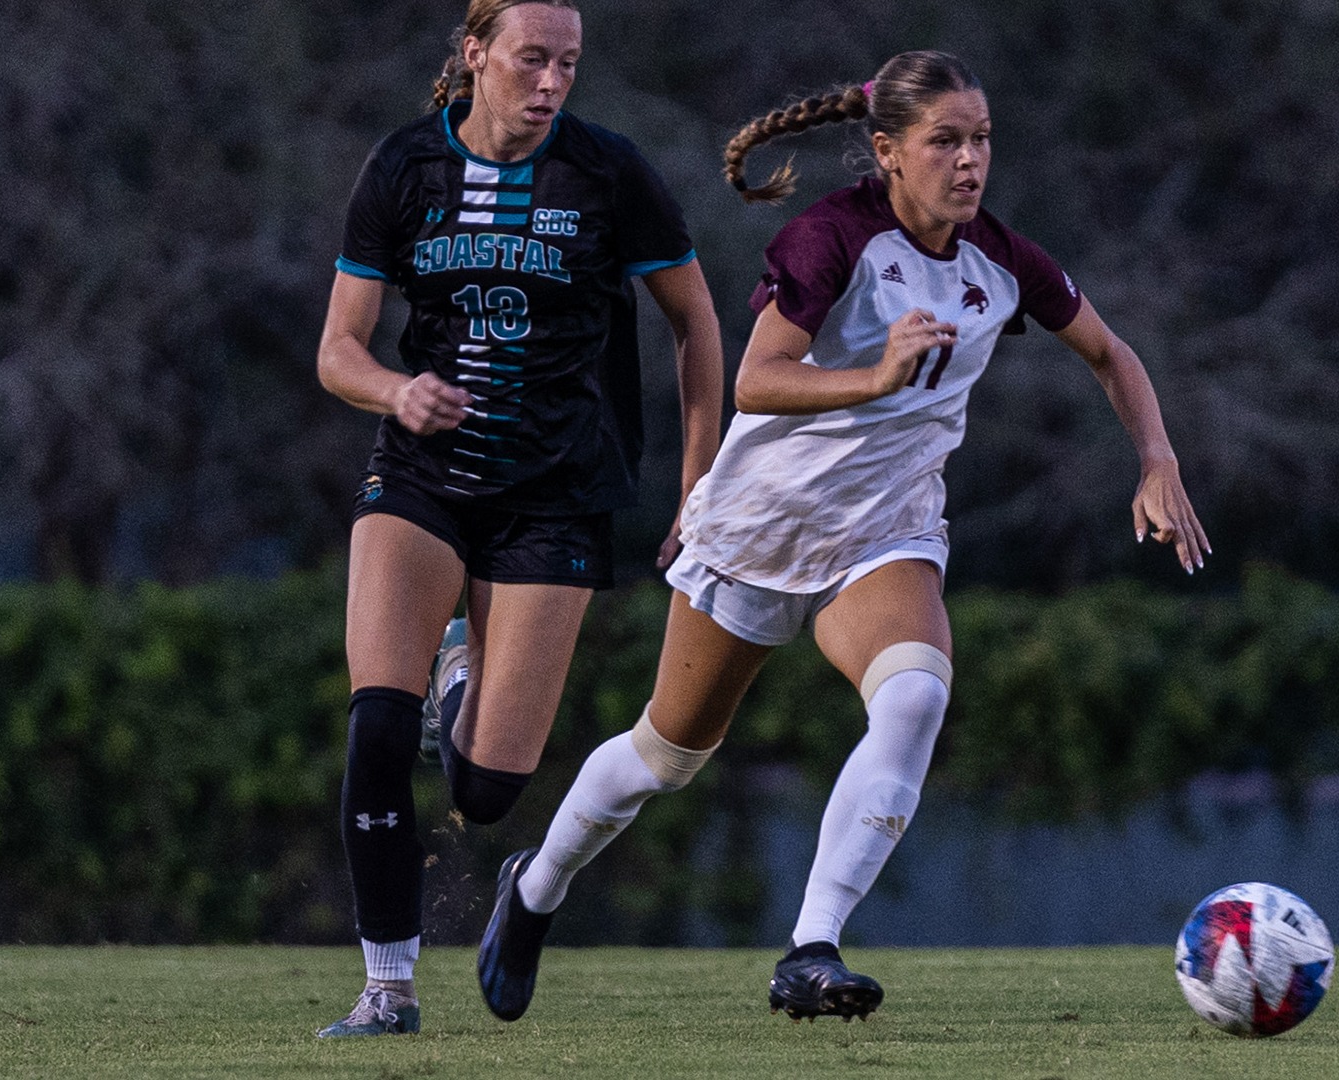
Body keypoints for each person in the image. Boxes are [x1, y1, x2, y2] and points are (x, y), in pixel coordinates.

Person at [473, 49, 1209, 1024]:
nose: (969, 161)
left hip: (885, 531)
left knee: (912, 696)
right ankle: (534, 889)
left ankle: (811, 948)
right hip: (761, 526)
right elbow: (759, 381)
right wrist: (873, 376)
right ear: (887, 152)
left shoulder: (1000, 258)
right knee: (668, 754)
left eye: (981, 139)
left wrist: (1156, 457)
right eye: (944, 141)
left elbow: (1111, 354)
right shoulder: (835, 238)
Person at [312, 0, 722, 1037]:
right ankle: (388, 987)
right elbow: (339, 351)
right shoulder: (403, 168)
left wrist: (699, 488)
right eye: (531, 59)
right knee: (374, 724)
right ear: (476, 54)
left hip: (559, 489)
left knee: (490, 791)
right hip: (423, 474)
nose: (549, 83)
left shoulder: (608, 174)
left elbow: (698, 327)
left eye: (568, 64)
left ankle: (464, 685)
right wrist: (394, 394)